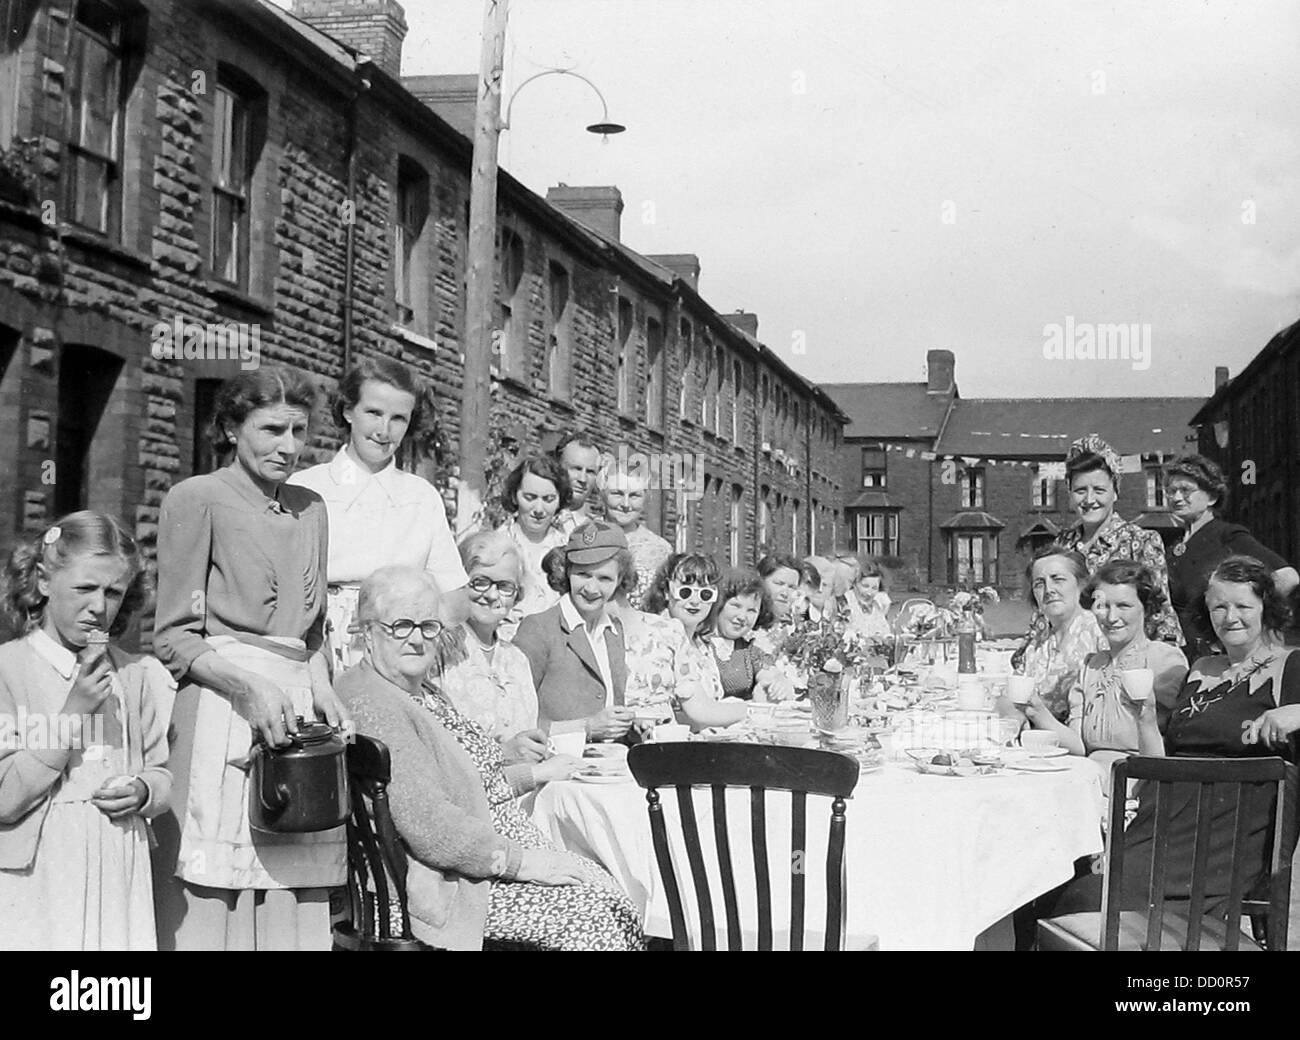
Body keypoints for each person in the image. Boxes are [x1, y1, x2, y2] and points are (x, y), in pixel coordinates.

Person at [334, 566, 640, 950]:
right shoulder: (375, 702)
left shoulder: (420, 691)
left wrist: (526, 771)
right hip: (443, 884)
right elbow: (430, 824)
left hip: (476, 866)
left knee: (612, 895)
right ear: (367, 631)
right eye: (401, 625)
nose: (417, 639)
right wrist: (522, 863)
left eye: (428, 626)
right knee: (595, 914)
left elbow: (468, 780)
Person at [152, 368, 350, 951]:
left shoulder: (312, 508)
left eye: (299, 430)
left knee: (295, 881)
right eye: (270, 429)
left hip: (296, 720)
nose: (288, 446)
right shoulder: (197, 498)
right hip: (223, 708)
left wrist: (325, 689)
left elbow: (310, 635)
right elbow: (174, 637)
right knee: (219, 883)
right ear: (233, 428)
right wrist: (249, 690)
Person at [1045, 556, 1300, 920]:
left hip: (1224, 833)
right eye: (1219, 607)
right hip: (1164, 816)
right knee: (1060, 888)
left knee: (1087, 902)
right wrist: (1147, 718)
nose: (1230, 617)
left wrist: (1297, 712)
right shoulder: (1201, 669)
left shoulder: (1289, 665)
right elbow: (1165, 758)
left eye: (1243, 606)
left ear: (1266, 608)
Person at [0, 513, 173, 951]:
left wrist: (143, 791)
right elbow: (4, 796)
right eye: (84, 588)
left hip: (117, 862)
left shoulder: (134, 674)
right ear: (42, 581)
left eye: (113, 591)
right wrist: (72, 712)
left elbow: (160, 771)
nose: (99, 607)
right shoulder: (9, 669)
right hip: (39, 875)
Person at [289, 357, 469, 670]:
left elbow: (455, 600)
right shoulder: (305, 488)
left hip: (399, 650)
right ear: (348, 411)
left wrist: (409, 626)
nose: (384, 430)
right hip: (317, 650)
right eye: (373, 413)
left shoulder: (421, 497)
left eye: (398, 418)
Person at [1022, 561, 1187, 766]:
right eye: (1103, 606)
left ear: (1146, 608)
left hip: (1138, 778)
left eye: (1123, 606)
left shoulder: (1164, 659)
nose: (1111, 617)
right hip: (1090, 773)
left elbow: (1176, 746)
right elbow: (1078, 745)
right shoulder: (1092, 666)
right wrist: (1036, 710)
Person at [1031, 434, 1181, 646]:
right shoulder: (1061, 545)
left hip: (1123, 663)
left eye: (1099, 490)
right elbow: (1045, 609)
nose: (1089, 500)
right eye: (1080, 491)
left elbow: (1160, 616)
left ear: (1115, 492)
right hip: (1068, 663)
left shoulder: (1141, 542)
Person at [1164, 454, 1297, 660]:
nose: (1177, 497)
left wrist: (1247, 612)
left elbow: (1287, 577)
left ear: (1212, 497)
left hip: (1228, 652)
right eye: (1171, 491)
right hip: (1188, 654)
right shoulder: (1174, 545)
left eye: (1186, 490)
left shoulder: (1227, 535)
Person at [513, 521, 634, 740]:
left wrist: (632, 725)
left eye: (604, 578)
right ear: (567, 572)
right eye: (583, 574)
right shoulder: (538, 629)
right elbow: (515, 720)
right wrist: (587, 727)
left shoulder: (614, 630)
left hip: (608, 766)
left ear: (620, 581)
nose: (591, 588)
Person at [438, 530, 548, 765]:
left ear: (517, 594)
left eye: (504, 586)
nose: (491, 595)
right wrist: (502, 752)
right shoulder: (440, 650)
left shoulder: (516, 659)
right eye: (479, 582)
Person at [641, 554, 748, 730]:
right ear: (666, 592)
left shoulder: (701, 643)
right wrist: (754, 710)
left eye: (706, 594)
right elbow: (687, 715)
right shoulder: (657, 638)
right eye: (685, 591)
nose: (695, 601)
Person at [1003, 547, 1106, 724]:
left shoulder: (1099, 633)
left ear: (1081, 584)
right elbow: (1009, 698)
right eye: (1039, 584)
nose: (1049, 589)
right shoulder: (1039, 641)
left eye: (1058, 580)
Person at [499, 454, 570, 632]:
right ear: (515, 497)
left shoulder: (570, 546)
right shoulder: (497, 544)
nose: (539, 509)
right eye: (530, 498)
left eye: (548, 499)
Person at [702, 568, 794, 702]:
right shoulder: (698, 644)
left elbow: (768, 674)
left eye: (751, 610)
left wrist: (778, 683)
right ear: (718, 605)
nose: (742, 617)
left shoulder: (749, 651)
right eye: (735, 606)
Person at [597, 460, 670, 610]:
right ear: (603, 495)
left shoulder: (660, 550)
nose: (625, 504)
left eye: (634, 496)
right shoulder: (583, 534)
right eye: (617, 494)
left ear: (646, 498)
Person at [552, 432, 602, 537]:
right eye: (576, 469)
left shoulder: (600, 532)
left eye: (590, 472)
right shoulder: (529, 517)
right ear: (557, 467)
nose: (583, 479)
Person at [844, 557, 892, 640]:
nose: (869, 593)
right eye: (865, 586)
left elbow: (885, 631)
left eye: (874, 588)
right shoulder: (846, 602)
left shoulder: (877, 604)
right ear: (855, 583)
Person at [756, 552, 803, 633]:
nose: (785, 593)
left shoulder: (795, 631)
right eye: (778, 583)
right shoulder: (744, 623)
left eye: (792, 587)